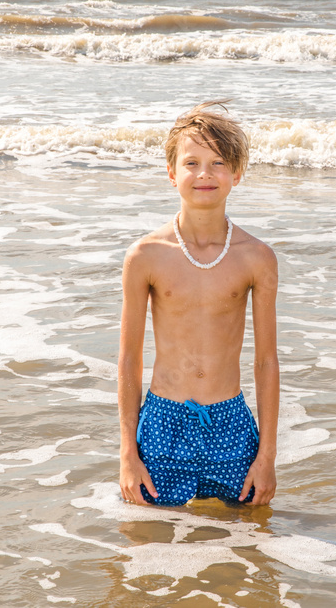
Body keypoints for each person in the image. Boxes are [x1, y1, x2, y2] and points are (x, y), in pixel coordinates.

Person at [117, 100, 279, 507]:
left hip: (230, 424)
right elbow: (128, 359)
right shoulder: (146, 255)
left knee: (246, 547)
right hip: (161, 424)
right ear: (172, 173)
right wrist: (127, 454)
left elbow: (266, 361)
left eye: (219, 163)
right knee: (148, 547)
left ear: (237, 174)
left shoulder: (256, 257)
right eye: (191, 163)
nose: (204, 174)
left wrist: (267, 457)